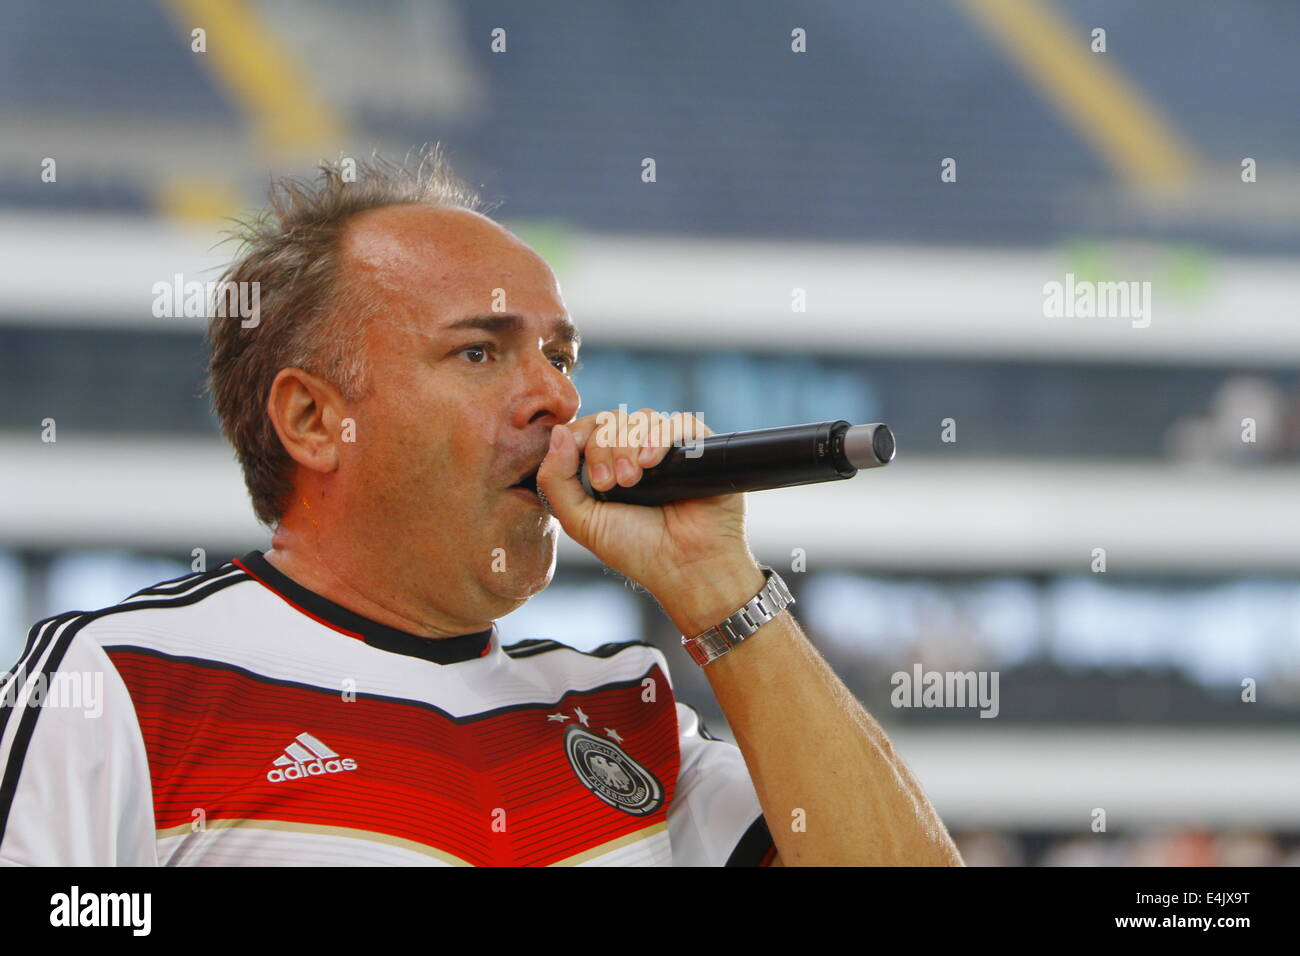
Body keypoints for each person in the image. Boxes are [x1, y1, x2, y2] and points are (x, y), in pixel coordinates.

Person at [0, 149, 960, 866]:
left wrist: (718, 584)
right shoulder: (124, 684)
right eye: (479, 352)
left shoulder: (627, 712)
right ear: (312, 419)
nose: (557, 398)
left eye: (561, 356)